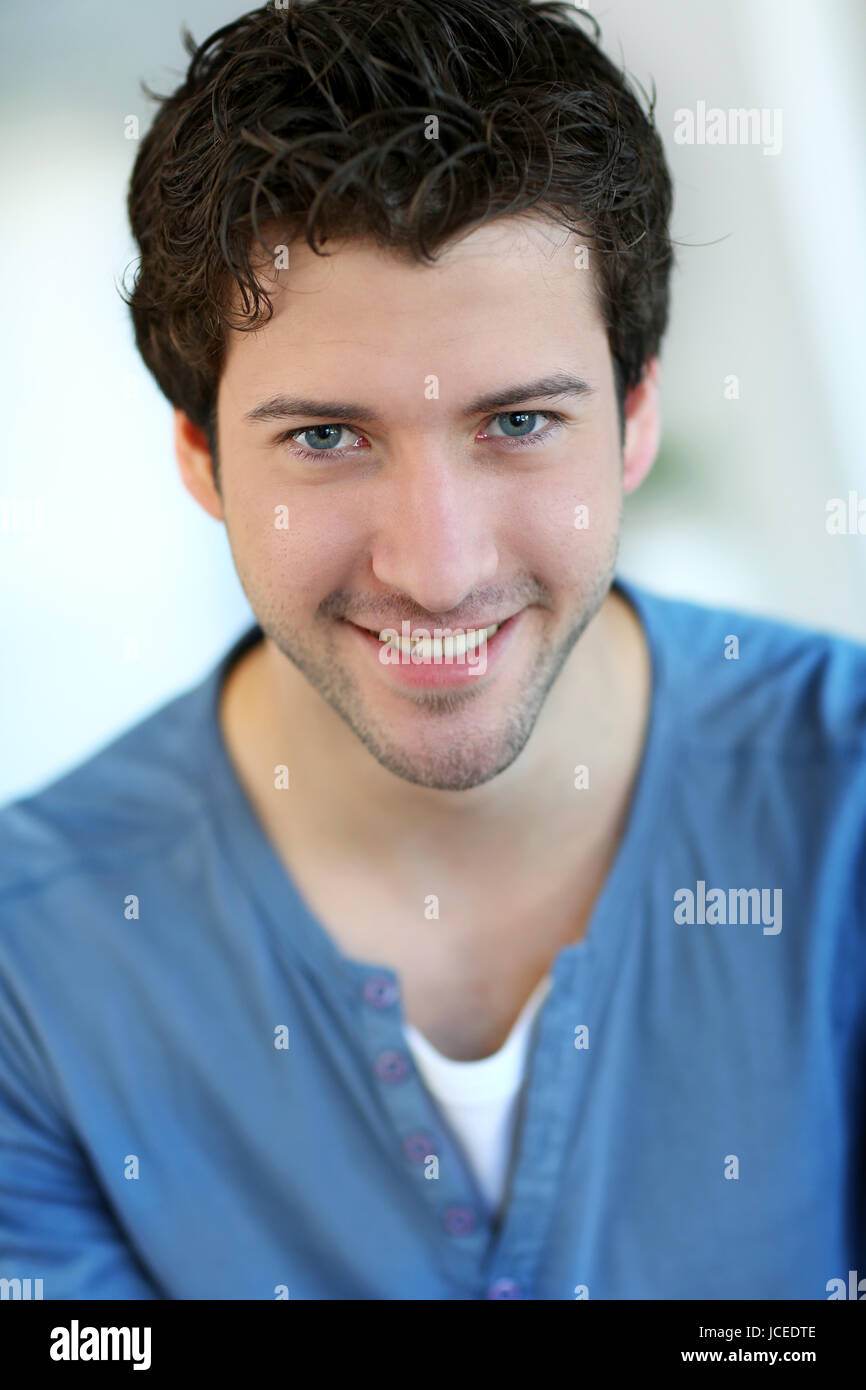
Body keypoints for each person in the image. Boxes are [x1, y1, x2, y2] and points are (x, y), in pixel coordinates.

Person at [0, 0, 863, 1302]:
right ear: (200, 458)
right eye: (326, 438)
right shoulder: (33, 975)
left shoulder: (843, 802)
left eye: (516, 420)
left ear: (633, 423)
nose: (438, 563)